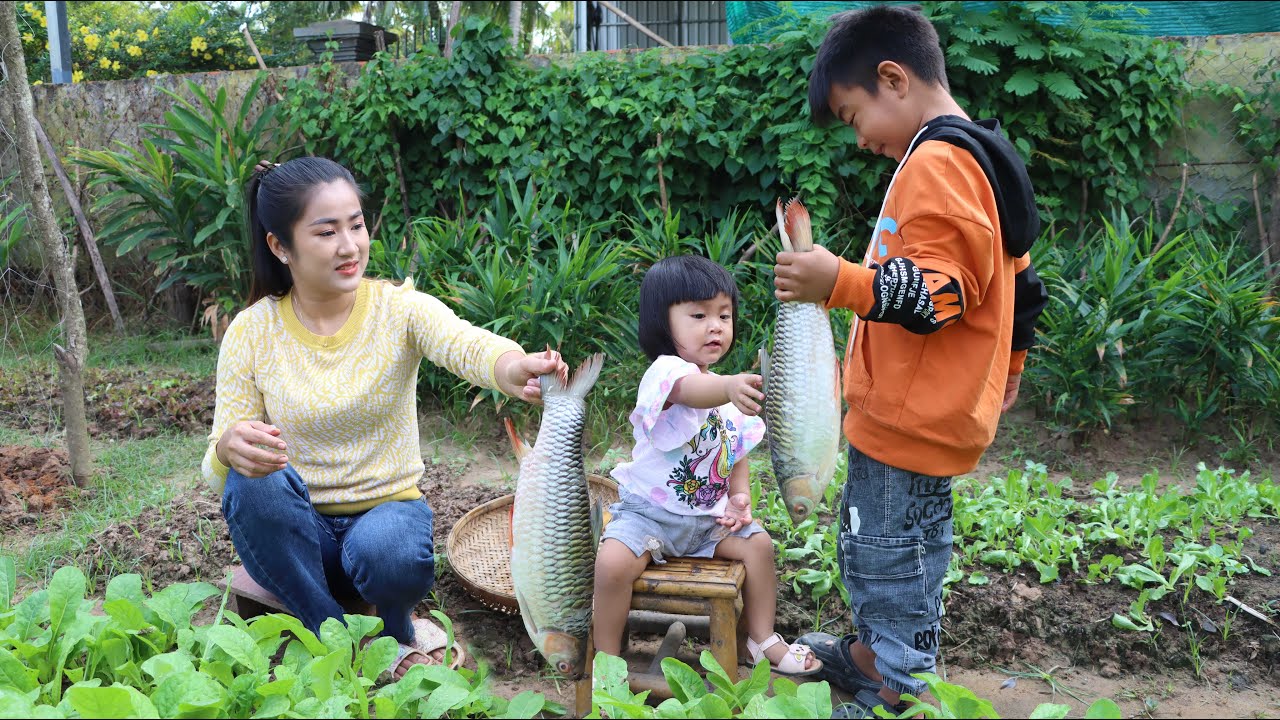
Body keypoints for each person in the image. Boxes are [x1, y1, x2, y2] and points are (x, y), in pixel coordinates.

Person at [771, 5, 1049, 717]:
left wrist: (841, 282)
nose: (858, 139)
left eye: (851, 114)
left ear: (892, 79)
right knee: (901, 547)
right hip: (922, 416)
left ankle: (897, 684)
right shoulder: (983, 153)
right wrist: (1010, 364)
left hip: (907, 420)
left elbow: (937, 294)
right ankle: (871, 654)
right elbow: (1022, 279)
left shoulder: (940, 163)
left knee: (887, 554)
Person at [203, 156, 566, 679]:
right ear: (280, 246)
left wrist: (514, 368)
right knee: (250, 483)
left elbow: (467, 344)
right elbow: (218, 467)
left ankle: (395, 628)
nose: (350, 246)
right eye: (326, 232)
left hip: (385, 519)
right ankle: (334, 633)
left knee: (391, 551)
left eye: (356, 225)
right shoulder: (252, 332)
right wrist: (226, 448)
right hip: (299, 539)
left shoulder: (398, 309)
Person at [592, 255, 821, 676]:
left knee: (760, 547)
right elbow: (690, 389)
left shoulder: (725, 394)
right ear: (664, 324)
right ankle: (606, 660)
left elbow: (735, 454)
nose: (715, 325)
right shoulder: (666, 374)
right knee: (611, 565)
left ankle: (761, 637)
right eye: (698, 315)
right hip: (649, 518)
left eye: (724, 315)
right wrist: (729, 387)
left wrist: (739, 496)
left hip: (706, 523)